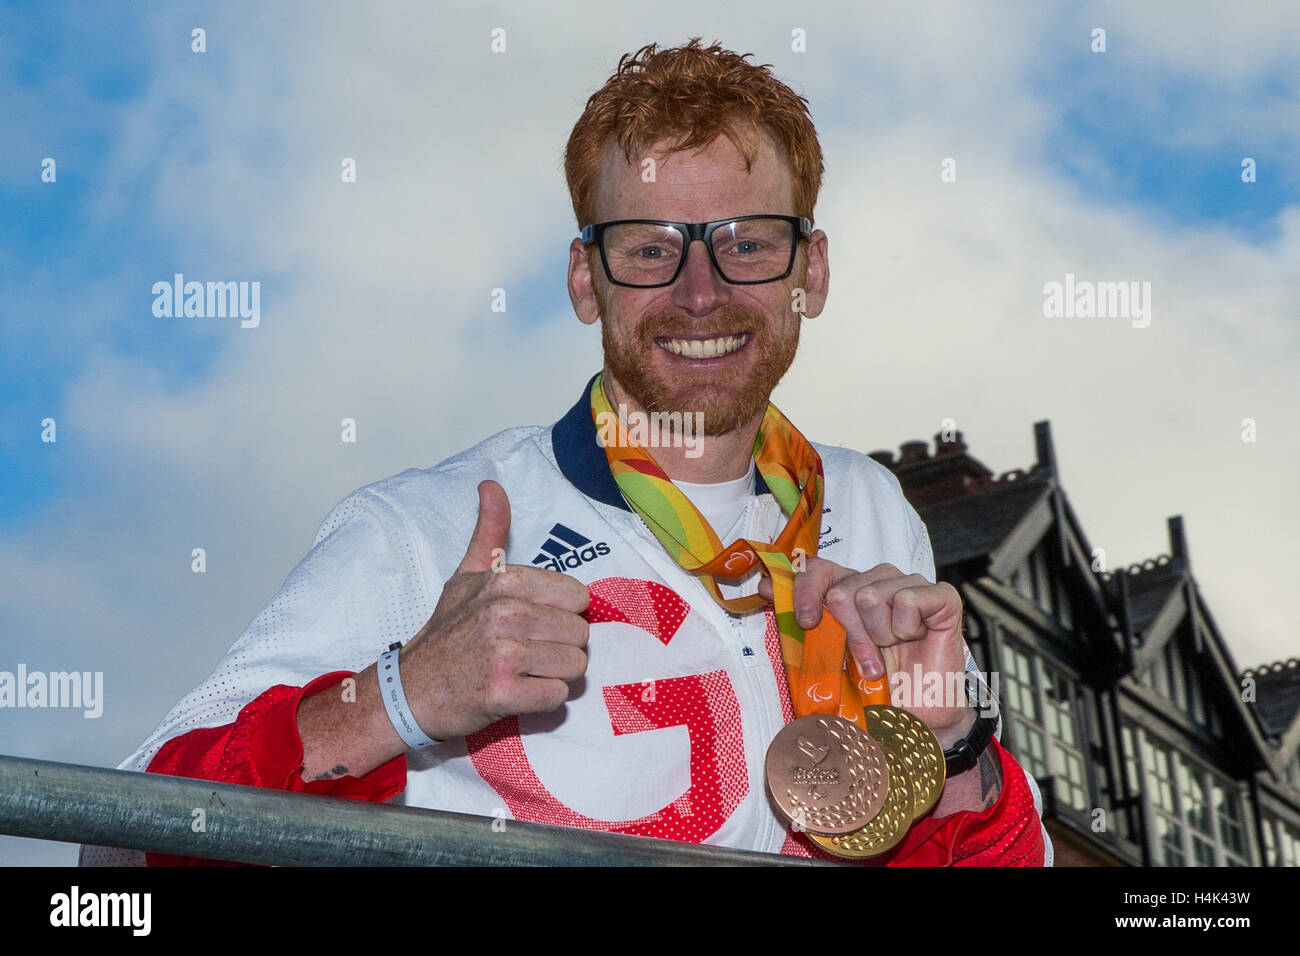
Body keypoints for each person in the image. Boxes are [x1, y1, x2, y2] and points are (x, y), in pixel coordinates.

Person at [81, 37, 1049, 866]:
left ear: (813, 270)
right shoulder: (428, 529)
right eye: (648, 246)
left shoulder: (871, 508)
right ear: (586, 278)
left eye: (748, 243)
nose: (701, 292)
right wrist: (396, 700)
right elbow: (113, 850)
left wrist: (952, 744)